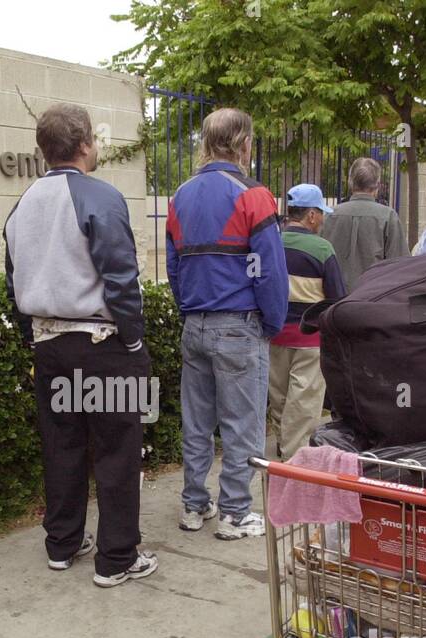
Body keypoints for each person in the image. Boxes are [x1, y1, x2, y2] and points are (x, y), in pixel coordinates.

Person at [4, 103, 156, 588]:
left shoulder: (22, 202)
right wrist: (134, 339)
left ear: (42, 149)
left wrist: (33, 336)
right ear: (87, 143)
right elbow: (121, 276)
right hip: (104, 344)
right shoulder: (102, 196)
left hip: (49, 345)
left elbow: (12, 278)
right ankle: (116, 558)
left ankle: (63, 544)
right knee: (117, 451)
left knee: (62, 445)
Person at [166, 107, 288, 540]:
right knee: (243, 424)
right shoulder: (253, 194)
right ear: (244, 144)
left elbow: (174, 265)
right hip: (238, 324)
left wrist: (189, 311)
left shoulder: (180, 195)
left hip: (194, 323)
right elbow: (269, 269)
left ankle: (194, 506)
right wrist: (272, 322)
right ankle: (236, 512)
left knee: (197, 422)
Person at [268, 184, 347, 460]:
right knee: (302, 407)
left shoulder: (271, 242)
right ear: (311, 215)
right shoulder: (322, 248)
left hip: (274, 336)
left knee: (278, 401)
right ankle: (293, 464)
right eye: (321, 214)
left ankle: (284, 449)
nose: (322, 220)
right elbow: (337, 296)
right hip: (309, 340)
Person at [326, 157, 408, 293]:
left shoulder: (330, 214)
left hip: (334, 298)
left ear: (350, 182)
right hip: (372, 297)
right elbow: (399, 264)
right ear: (377, 185)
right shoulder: (388, 216)